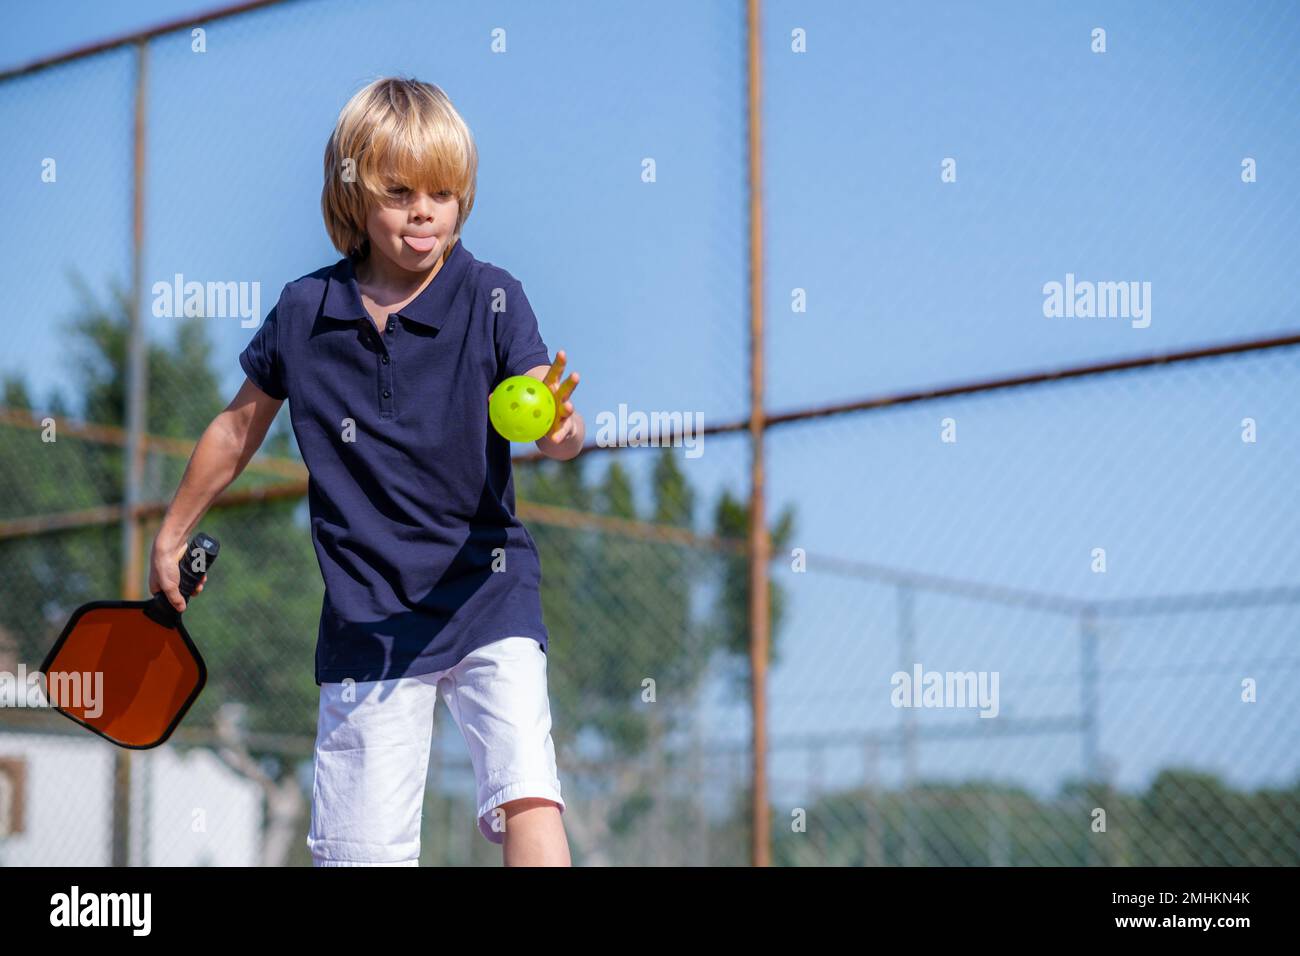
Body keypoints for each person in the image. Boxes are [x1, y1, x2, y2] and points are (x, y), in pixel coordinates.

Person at [149, 76, 582, 866]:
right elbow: (236, 428)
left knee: (527, 786)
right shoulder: (303, 313)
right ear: (353, 195)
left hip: (489, 590)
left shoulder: (492, 297)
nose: (426, 211)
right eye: (400, 191)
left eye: (445, 193)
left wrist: (558, 428)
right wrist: (173, 529)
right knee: (358, 854)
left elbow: (554, 428)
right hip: (369, 618)